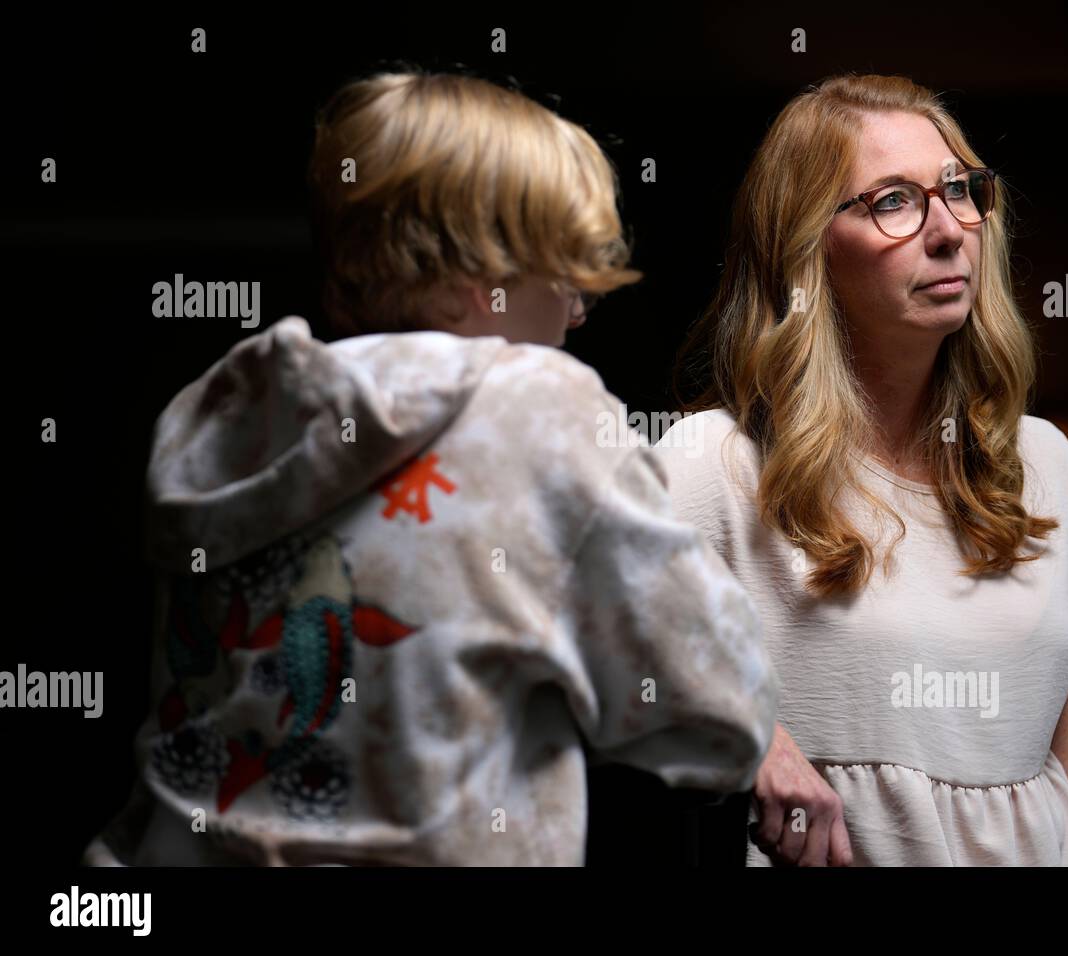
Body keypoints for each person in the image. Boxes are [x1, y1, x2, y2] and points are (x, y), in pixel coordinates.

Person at [82, 69, 778, 866]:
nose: (580, 308)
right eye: (565, 269)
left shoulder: (215, 416)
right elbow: (715, 709)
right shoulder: (536, 404)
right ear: (482, 273)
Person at [653, 73, 1068, 866]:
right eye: (893, 200)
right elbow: (573, 644)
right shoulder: (710, 468)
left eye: (959, 189)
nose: (950, 229)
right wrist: (738, 729)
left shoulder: (1053, 467)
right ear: (804, 244)